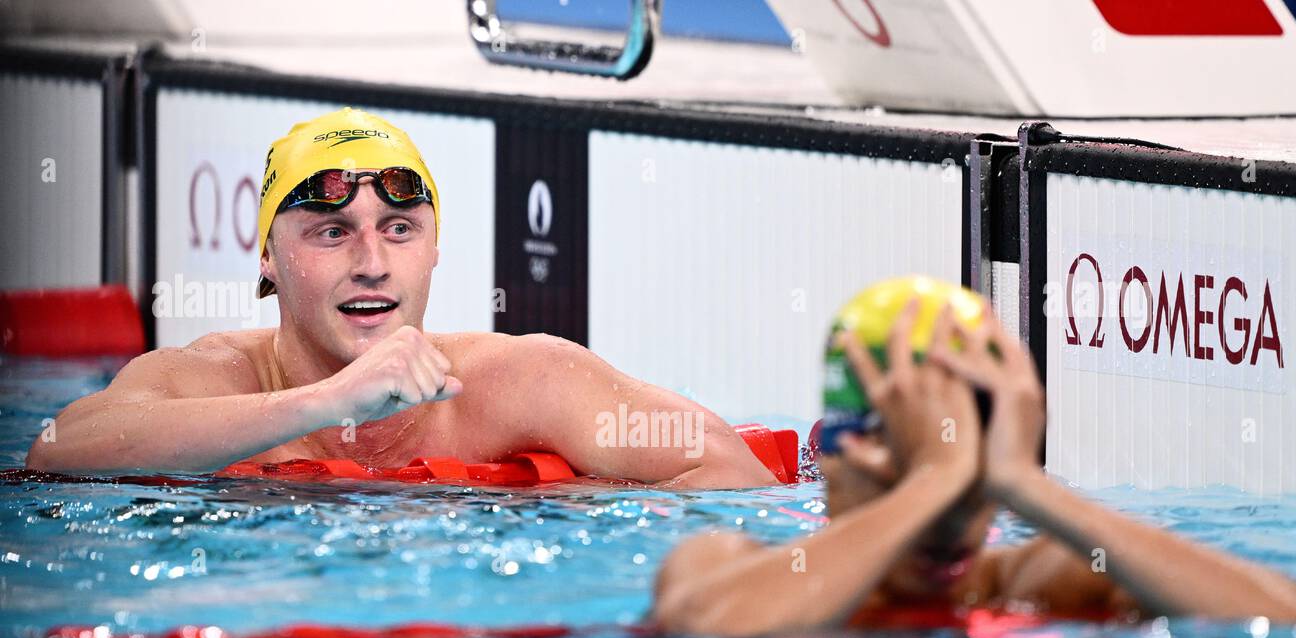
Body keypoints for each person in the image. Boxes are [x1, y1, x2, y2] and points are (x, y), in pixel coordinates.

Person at [25, 108, 775, 490]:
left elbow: (730, 468)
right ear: (267, 258)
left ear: (436, 248)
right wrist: (324, 404)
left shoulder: (521, 383)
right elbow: (53, 453)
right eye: (331, 233)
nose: (373, 263)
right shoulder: (208, 381)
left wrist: (595, 507)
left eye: (399, 229)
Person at [653, 278, 1296, 637]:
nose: (952, 526)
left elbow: (1284, 626)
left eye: (976, 484)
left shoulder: (1043, 582)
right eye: (921, 475)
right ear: (836, 463)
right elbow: (704, 629)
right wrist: (935, 481)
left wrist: (1029, 485)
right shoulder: (724, 563)